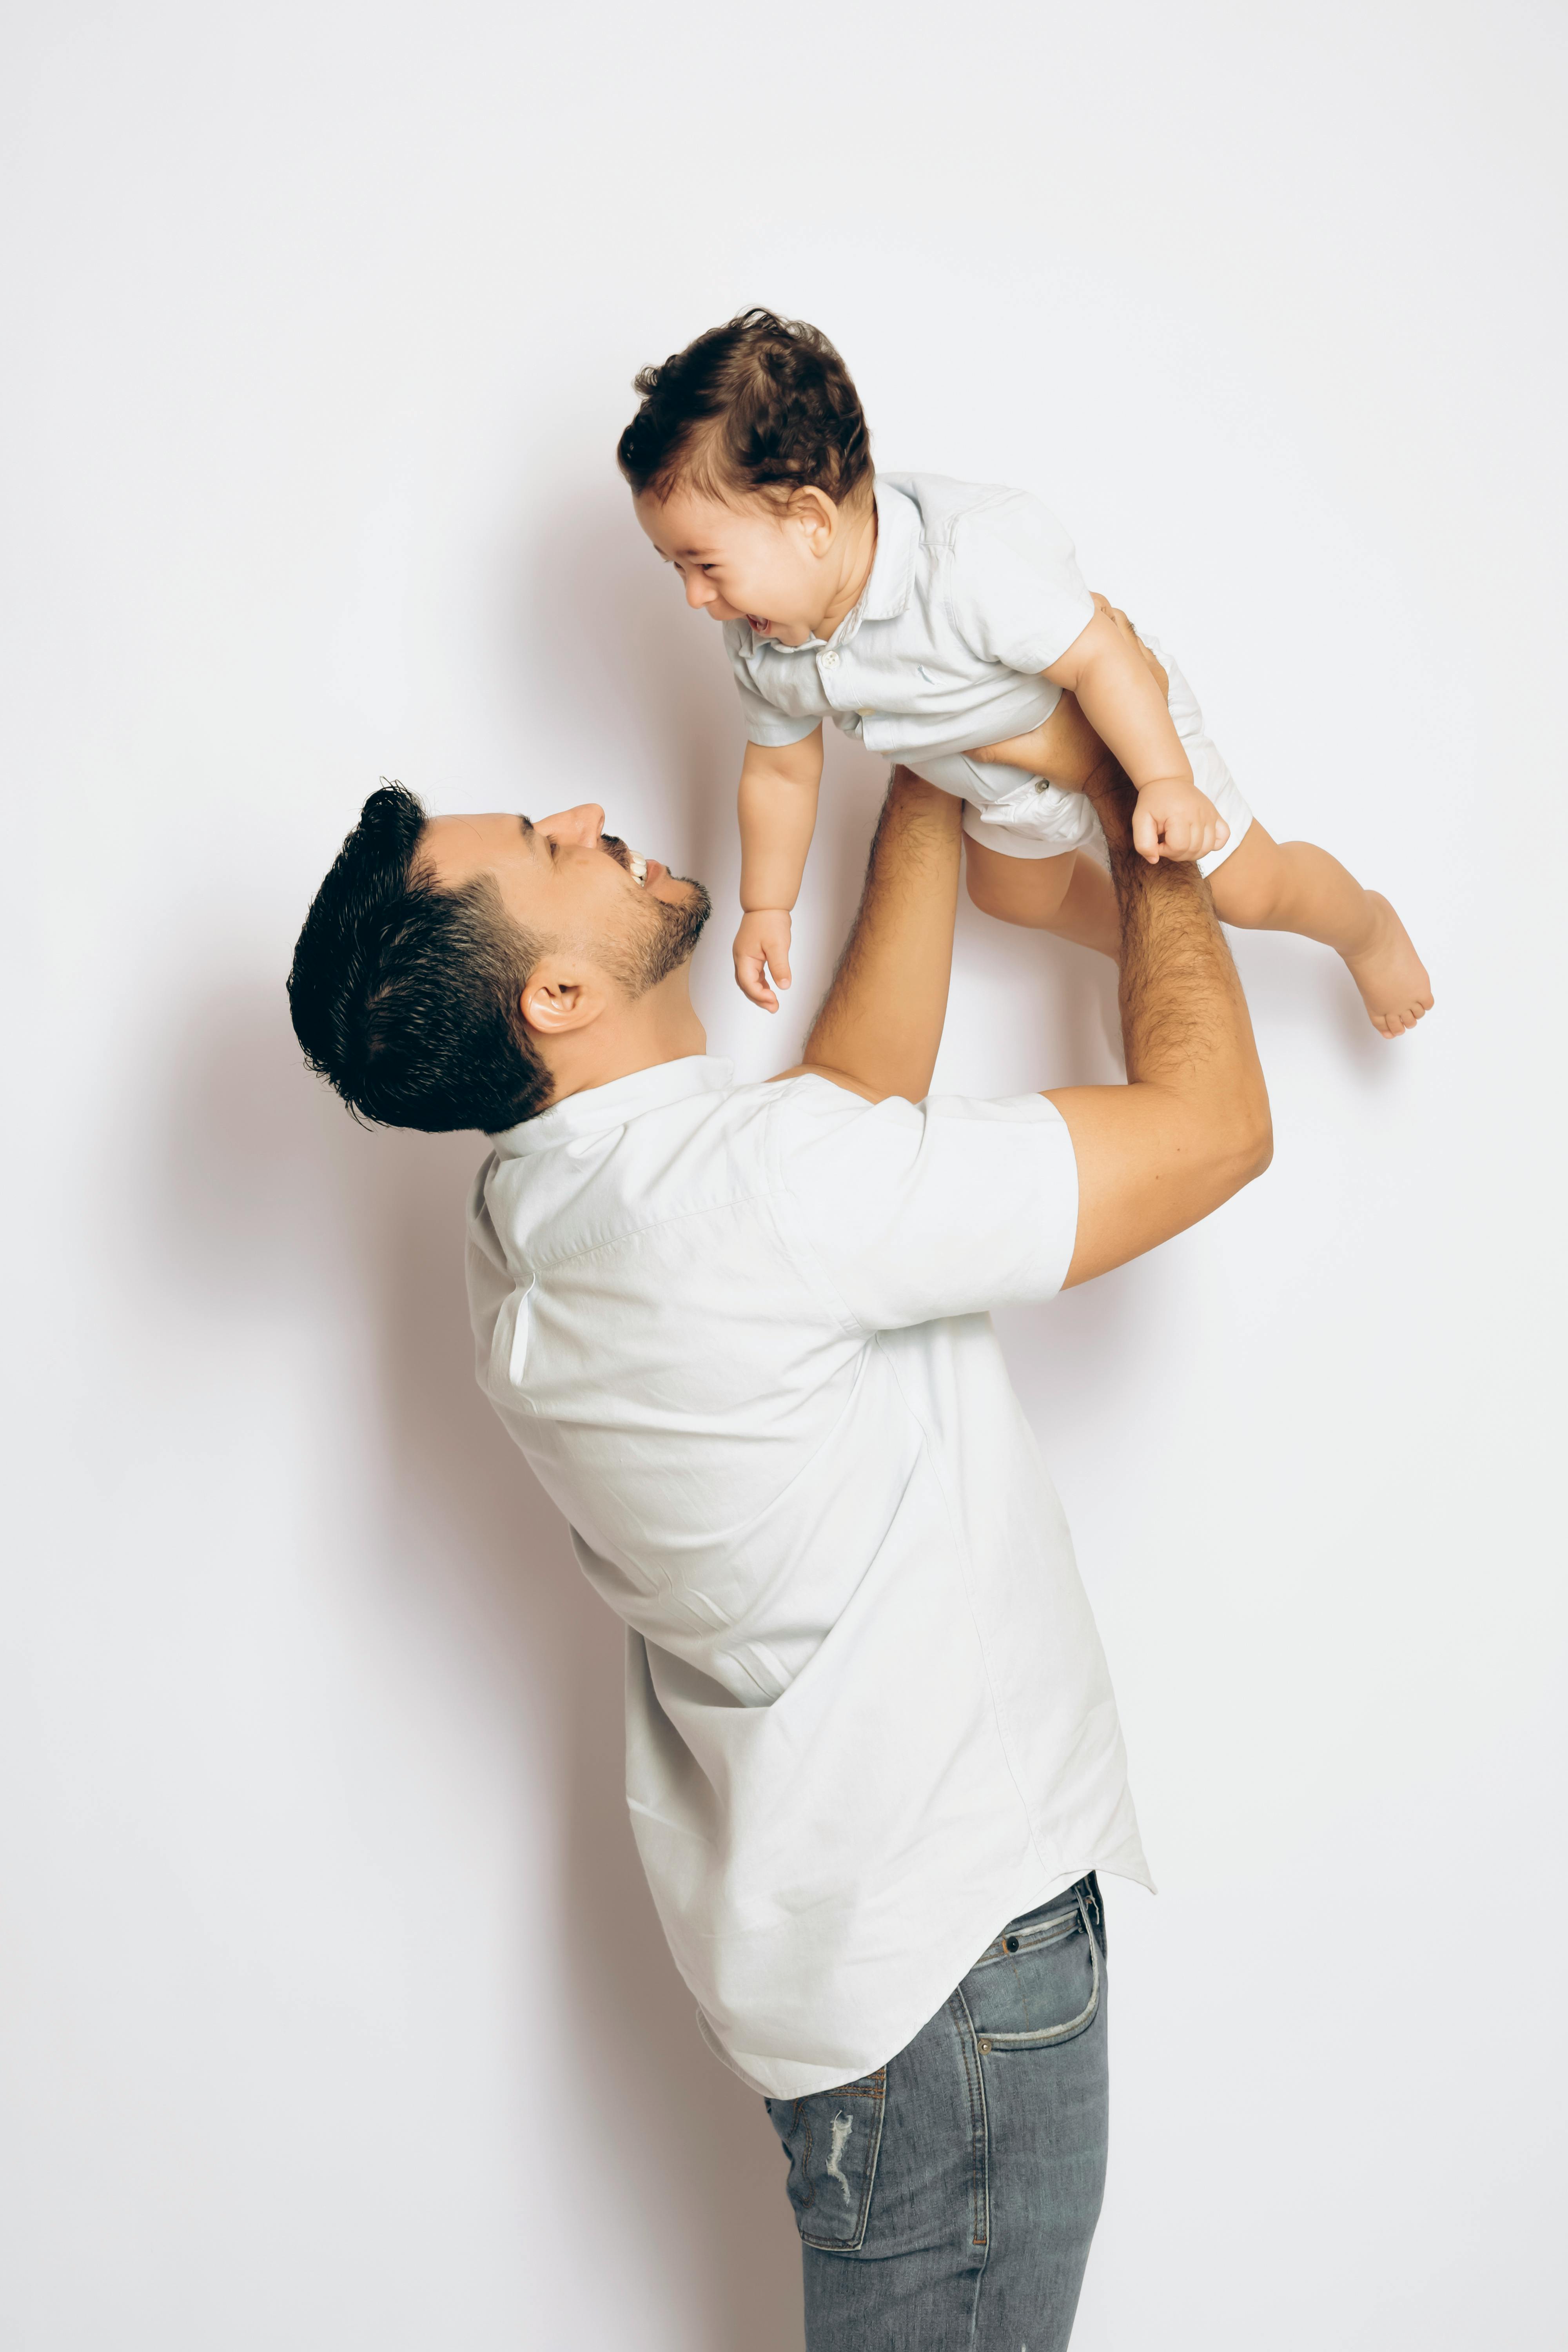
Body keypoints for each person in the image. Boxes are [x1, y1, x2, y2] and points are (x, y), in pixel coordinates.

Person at [285, 628, 1271, 2351]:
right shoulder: (743, 1208)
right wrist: (1152, 826)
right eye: (549, 846)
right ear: (559, 999)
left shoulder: (538, 1226)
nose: (590, 815)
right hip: (955, 1983)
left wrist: (921, 771)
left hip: (857, 1977)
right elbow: (1210, 1132)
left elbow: (837, 1125)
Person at [619, 307, 1434, 1039]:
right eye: (675, 569)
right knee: (1011, 897)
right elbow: (780, 771)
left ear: (810, 522)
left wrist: (1165, 780)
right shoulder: (763, 638)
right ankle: (1134, 944)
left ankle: (1364, 926)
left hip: (1118, 727)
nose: (696, 598)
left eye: (705, 565)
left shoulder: (969, 558)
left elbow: (1097, 656)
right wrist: (768, 904)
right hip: (1004, 786)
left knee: (1250, 891)